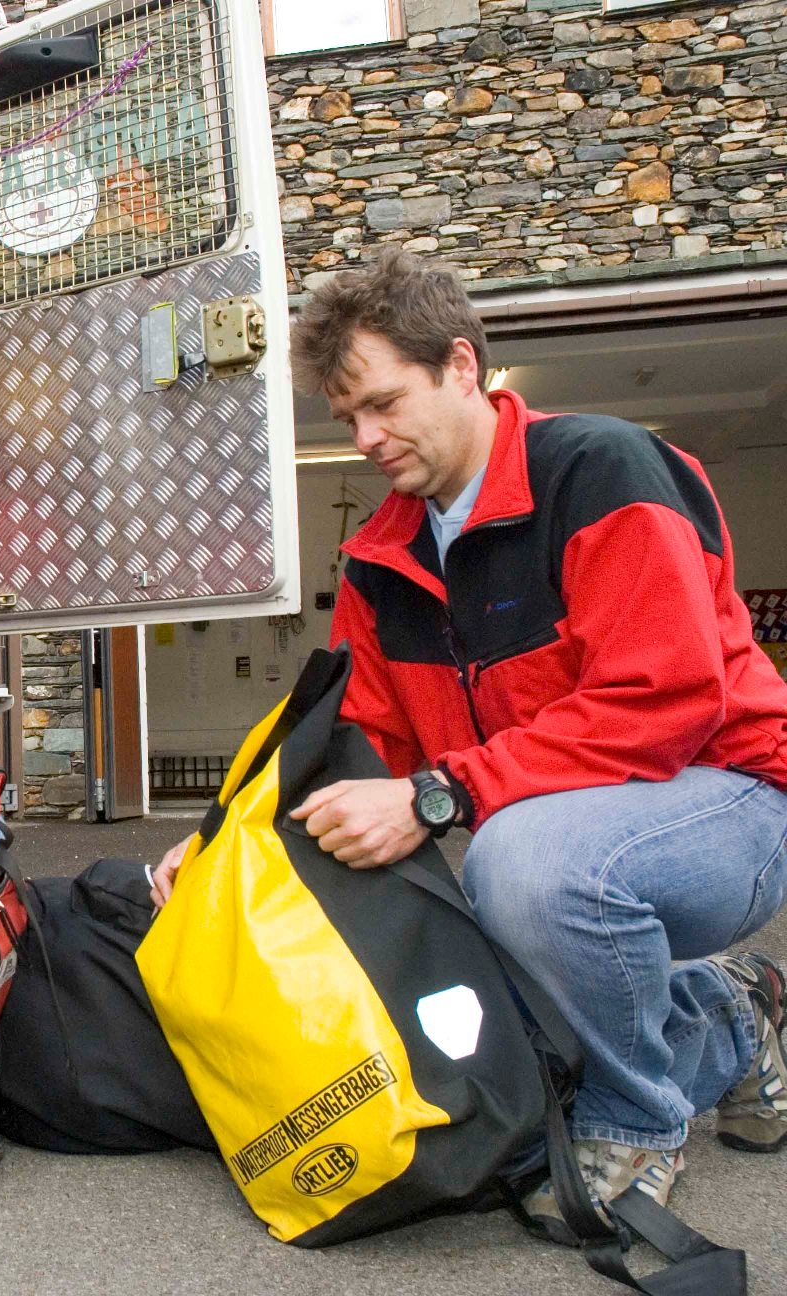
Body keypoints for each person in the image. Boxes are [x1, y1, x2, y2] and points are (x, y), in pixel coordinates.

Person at [154, 247, 787, 1237]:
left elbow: (662, 700)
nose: (364, 436)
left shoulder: (600, 470)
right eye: (347, 417)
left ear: (460, 367)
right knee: (488, 1007)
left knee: (521, 867)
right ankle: (730, 1022)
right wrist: (220, 839)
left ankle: (639, 1120)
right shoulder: (379, 558)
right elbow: (351, 731)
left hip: (729, 801)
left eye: (383, 403)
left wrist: (436, 796)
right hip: (540, 828)